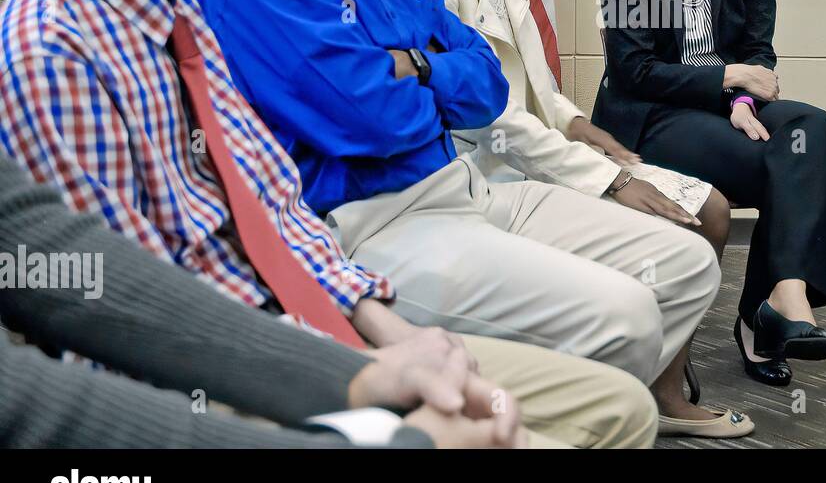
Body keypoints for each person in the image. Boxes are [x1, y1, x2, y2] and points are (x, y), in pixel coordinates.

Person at [0, 0, 656, 449]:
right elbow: (132, 317)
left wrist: (383, 327)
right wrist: (356, 393)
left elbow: (274, 210)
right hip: (215, 370)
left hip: (310, 309)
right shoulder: (56, 47)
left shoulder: (174, 12)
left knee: (618, 408)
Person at [195, 0, 721, 407]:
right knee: (629, 317)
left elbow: (485, 83)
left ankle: (559, 412)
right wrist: (428, 75)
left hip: (464, 186)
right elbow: (369, 118)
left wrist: (411, 68)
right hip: (372, 221)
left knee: (688, 266)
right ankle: (538, 413)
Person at [405, 0, 749, 439]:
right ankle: (638, 389)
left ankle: (656, 386)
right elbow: (490, 116)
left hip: (540, 156)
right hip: (494, 178)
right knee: (683, 225)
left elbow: (533, 86)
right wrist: (613, 178)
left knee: (707, 211)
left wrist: (581, 126)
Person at [0, 154, 516, 448]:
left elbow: (47, 250)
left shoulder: (183, 26)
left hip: (299, 333)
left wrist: (354, 376)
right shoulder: (47, 44)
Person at [593, 0, 826, 390]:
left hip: (724, 108)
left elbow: (759, 49)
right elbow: (633, 72)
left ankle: (785, 296)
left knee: (811, 127)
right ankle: (765, 318)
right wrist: (727, 81)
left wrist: (743, 100)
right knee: (786, 166)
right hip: (650, 118)